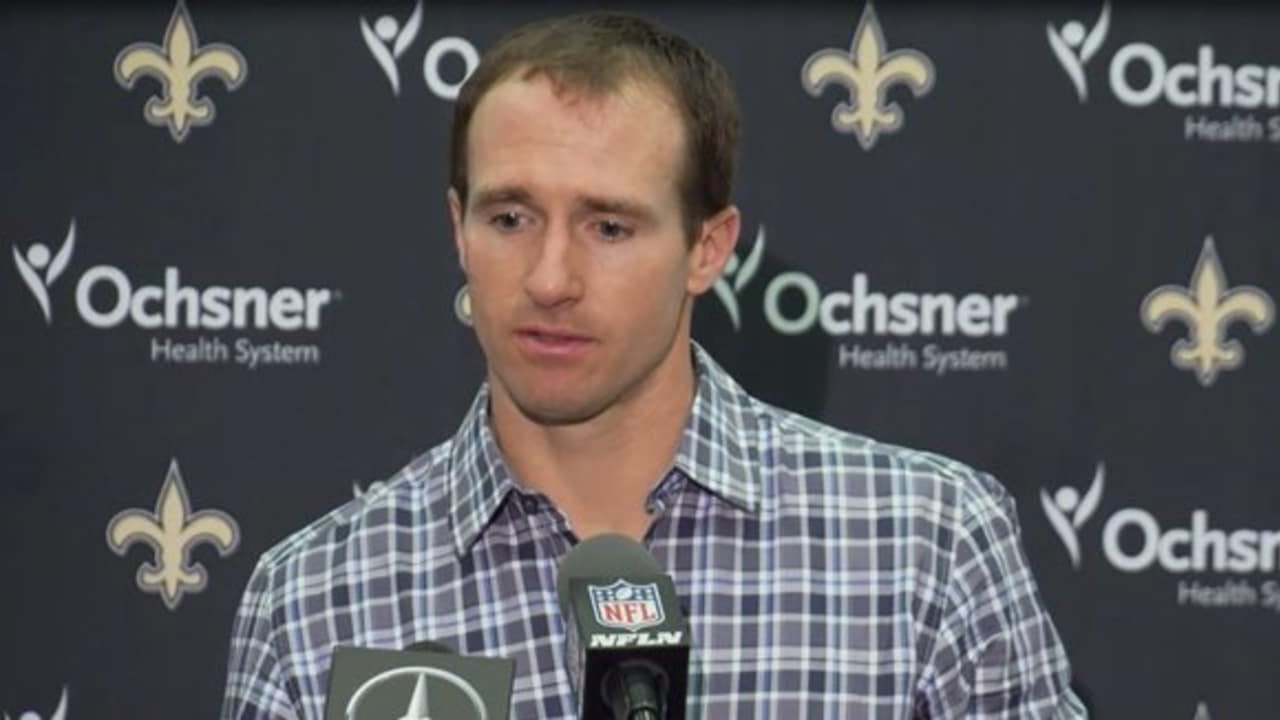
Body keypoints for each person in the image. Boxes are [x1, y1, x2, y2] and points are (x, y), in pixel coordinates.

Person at [222, 12, 1086, 719]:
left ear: (708, 248)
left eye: (609, 227)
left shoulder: (926, 544)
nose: (550, 279)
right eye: (511, 218)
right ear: (459, 229)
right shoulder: (313, 597)